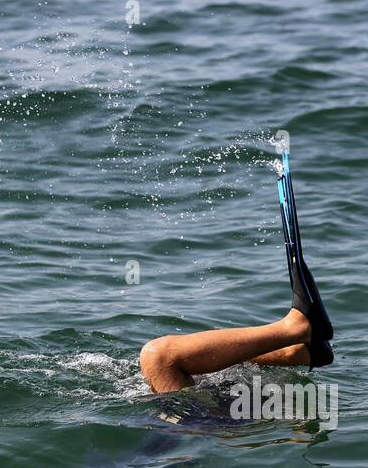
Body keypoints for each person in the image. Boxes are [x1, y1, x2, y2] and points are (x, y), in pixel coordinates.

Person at [139, 151, 334, 394]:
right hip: (198, 425)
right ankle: (295, 328)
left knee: (196, 368)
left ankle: (297, 351)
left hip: (198, 421)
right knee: (158, 357)